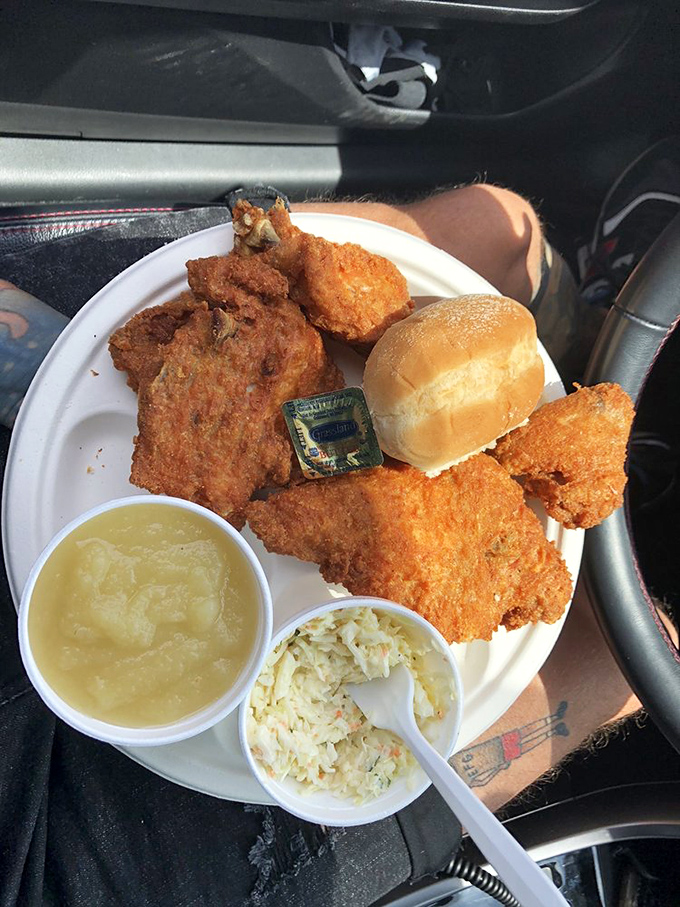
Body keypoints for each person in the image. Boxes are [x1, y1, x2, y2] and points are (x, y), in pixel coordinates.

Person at [0, 180, 663, 907]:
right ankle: (587, 291)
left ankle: (575, 297)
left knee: (493, 224)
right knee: (635, 654)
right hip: (70, 866)